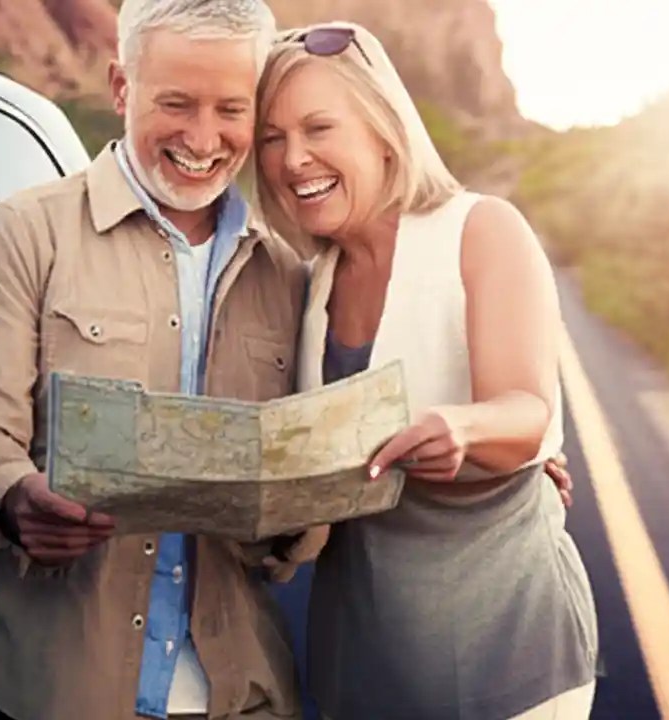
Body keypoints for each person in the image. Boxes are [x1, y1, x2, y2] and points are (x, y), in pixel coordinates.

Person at [0, 1, 331, 718]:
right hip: (51, 691)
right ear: (121, 88)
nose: (203, 138)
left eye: (230, 109)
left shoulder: (289, 276)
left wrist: (300, 517)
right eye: (175, 103)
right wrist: (15, 497)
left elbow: (310, 478)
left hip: (237, 694)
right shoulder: (21, 236)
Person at [251, 22, 599, 720]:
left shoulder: (481, 230)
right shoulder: (308, 284)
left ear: (383, 131)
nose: (293, 159)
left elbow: (528, 411)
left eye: (319, 128)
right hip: (365, 666)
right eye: (271, 138)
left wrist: (464, 429)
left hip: (511, 661)